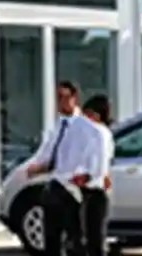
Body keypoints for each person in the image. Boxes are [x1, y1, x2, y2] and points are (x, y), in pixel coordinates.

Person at [26, 81, 101, 256]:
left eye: (65, 97)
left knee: (76, 240)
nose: (61, 102)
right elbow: (49, 151)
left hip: (74, 189)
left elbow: (89, 155)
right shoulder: (58, 125)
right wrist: (37, 166)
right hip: (55, 185)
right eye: (58, 97)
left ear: (74, 99)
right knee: (51, 238)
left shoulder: (84, 127)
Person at [78, 95, 115, 256]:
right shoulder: (97, 134)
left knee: (94, 240)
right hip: (94, 191)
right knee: (91, 239)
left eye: (86, 114)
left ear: (96, 115)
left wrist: (86, 178)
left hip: (94, 191)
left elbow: (98, 166)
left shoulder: (100, 134)